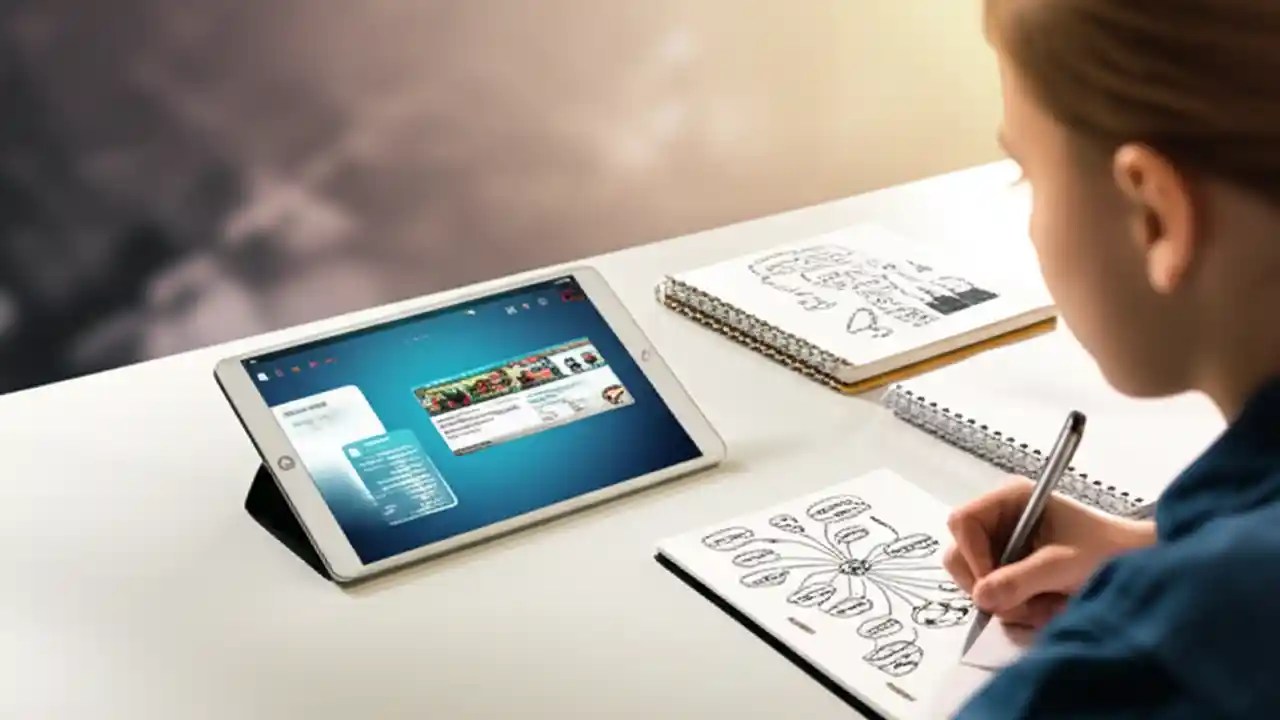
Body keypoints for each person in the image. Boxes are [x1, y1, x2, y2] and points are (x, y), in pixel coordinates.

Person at [943, 1, 1280, 717]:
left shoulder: (1135, 673)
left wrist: (1162, 592)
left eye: (1026, 174)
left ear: (1153, 216)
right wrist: (1157, 548)